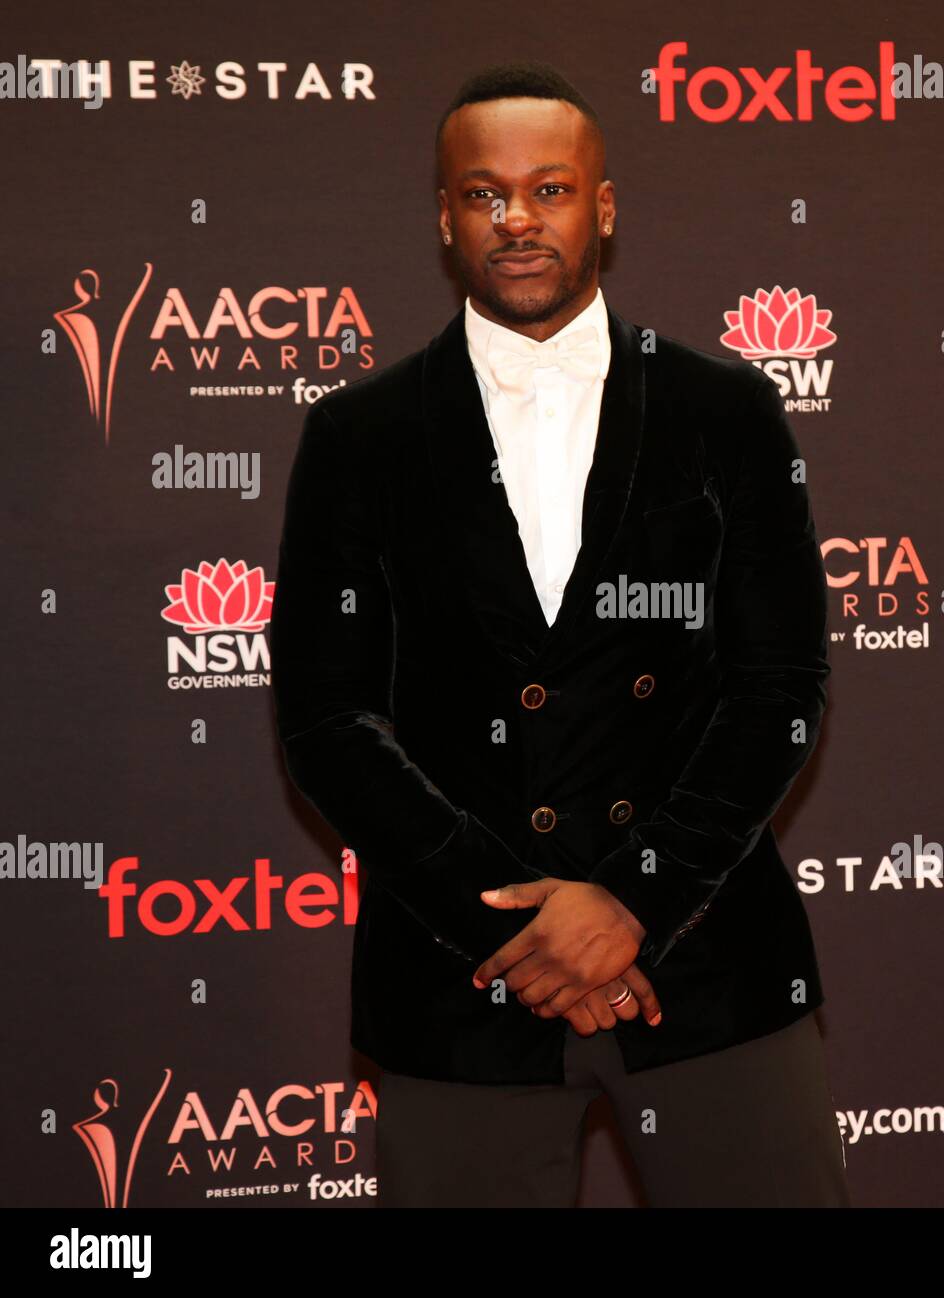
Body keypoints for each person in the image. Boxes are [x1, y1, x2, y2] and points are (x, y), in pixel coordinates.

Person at [269, 60, 850, 1208]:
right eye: (484, 193)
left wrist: (630, 899)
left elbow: (779, 685)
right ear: (445, 216)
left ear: (604, 205)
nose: (517, 217)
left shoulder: (725, 411)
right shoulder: (357, 436)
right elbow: (326, 719)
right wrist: (528, 927)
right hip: (460, 978)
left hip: (708, 963)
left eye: (550, 188)